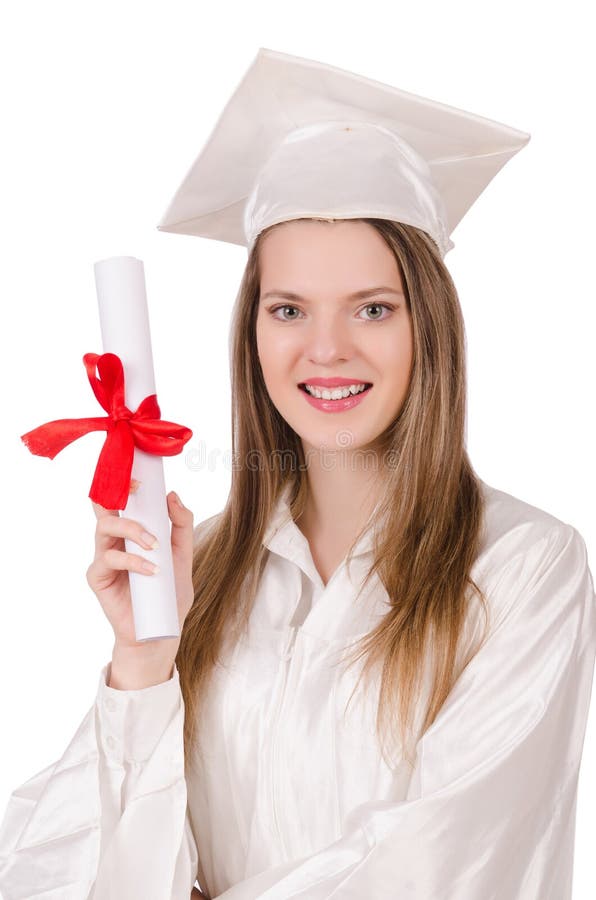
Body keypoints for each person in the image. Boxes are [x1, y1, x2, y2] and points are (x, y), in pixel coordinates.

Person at [1, 46, 595, 900]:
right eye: (289, 310)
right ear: (254, 333)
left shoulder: (524, 569)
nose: (327, 350)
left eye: (373, 309)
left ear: (428, 326)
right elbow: (71, 874)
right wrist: (145, 663)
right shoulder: (202, 567)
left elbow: (443, 865)